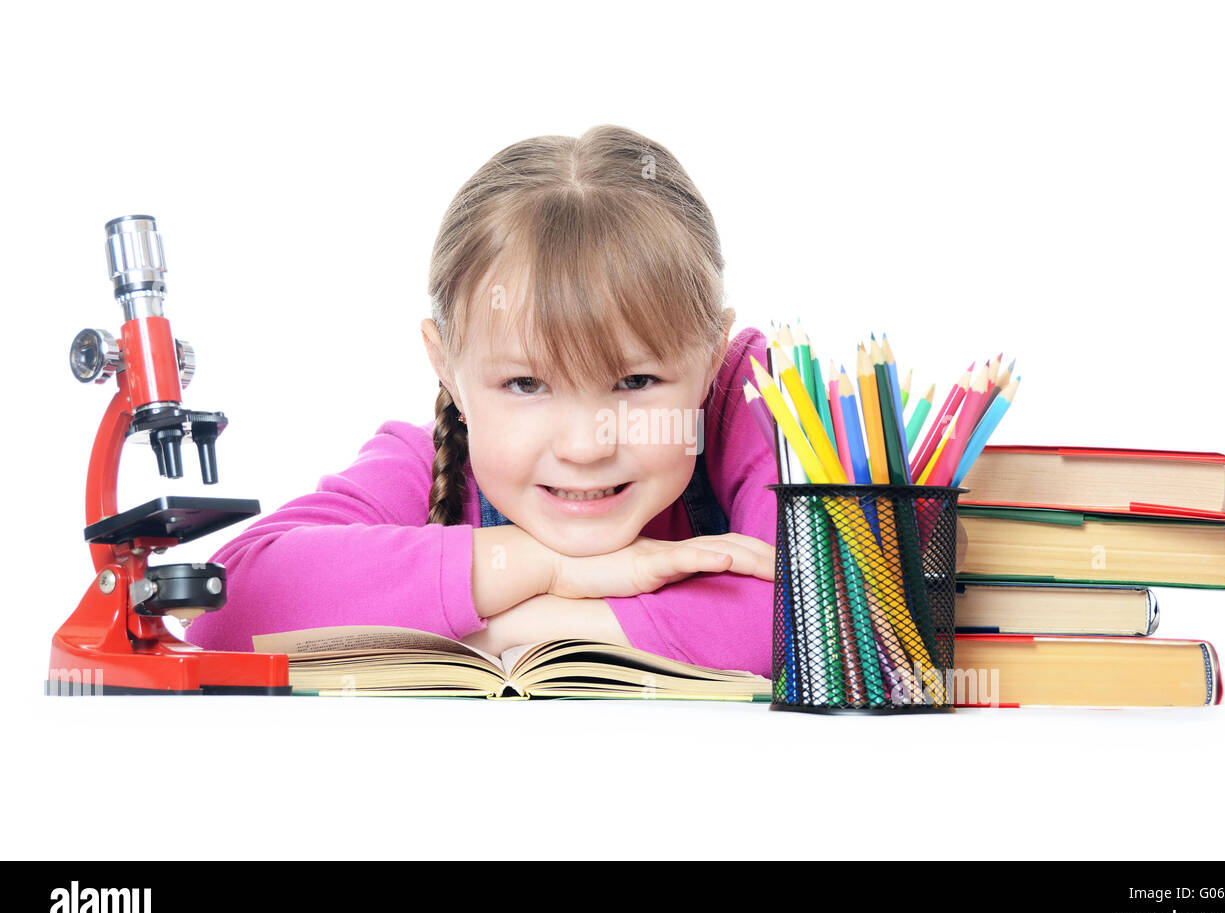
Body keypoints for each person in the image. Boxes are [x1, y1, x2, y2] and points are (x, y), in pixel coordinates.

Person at [184, 125, 779, 677]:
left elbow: (828, 620)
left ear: (709, 359)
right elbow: (225, 604)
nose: (584, 447)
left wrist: (517, 628)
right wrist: (548, 567)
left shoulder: (755, 400)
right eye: (526, 385)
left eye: (635, 382)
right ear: (447, 368)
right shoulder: (422, 464)